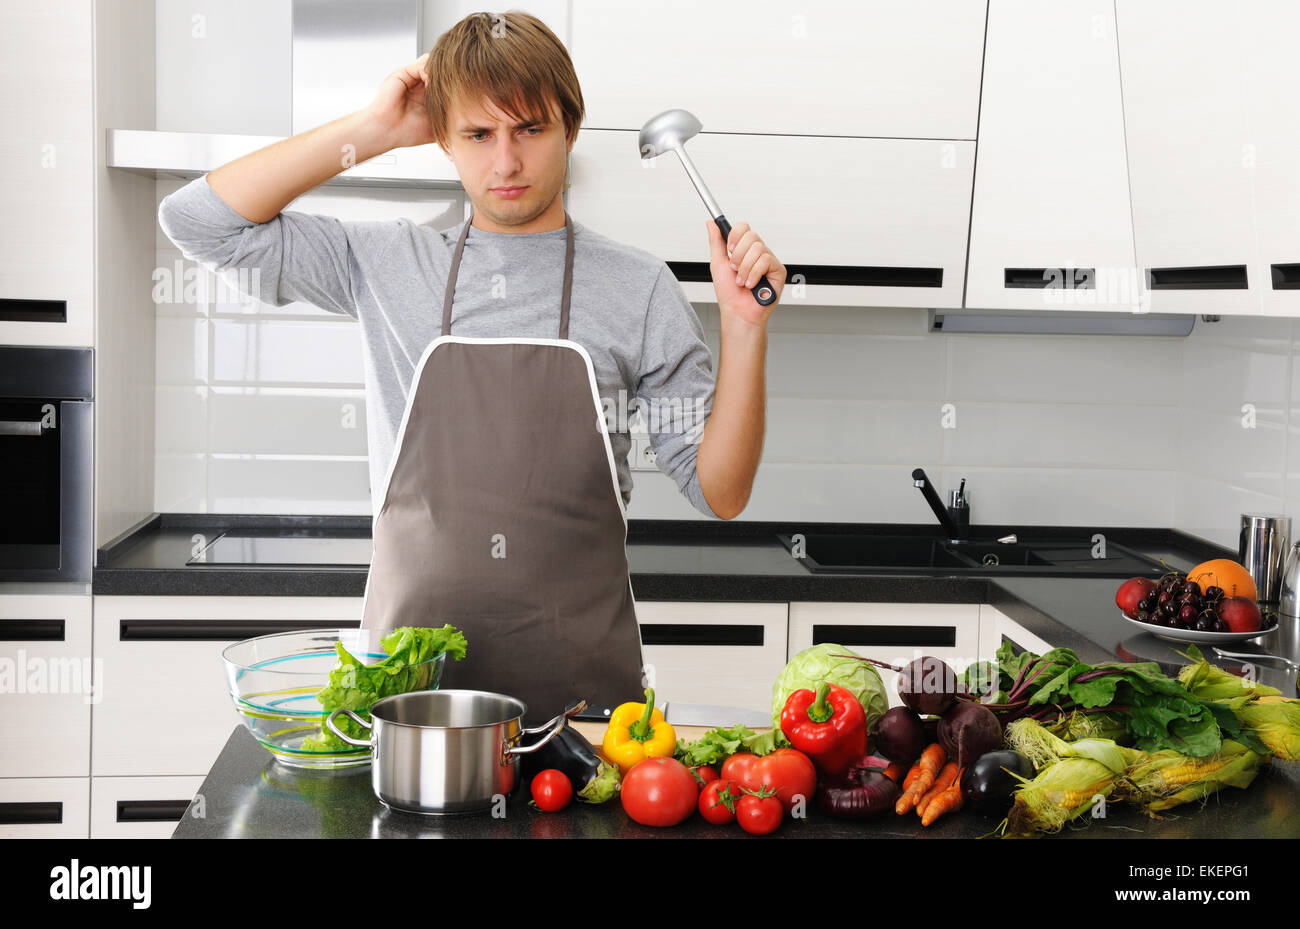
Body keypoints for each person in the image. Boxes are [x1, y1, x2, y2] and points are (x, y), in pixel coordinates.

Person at [158, 10, 785, 723]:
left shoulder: (639, 288)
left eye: (530, 129)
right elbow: (196, 222)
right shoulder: (388, 262)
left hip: (585, 717)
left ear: (570, 129)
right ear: (443, 142)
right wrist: (377, 129)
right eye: (478, 135)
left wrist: (744, 328)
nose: (506, 163)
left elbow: (721, 491)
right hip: (409, 711)